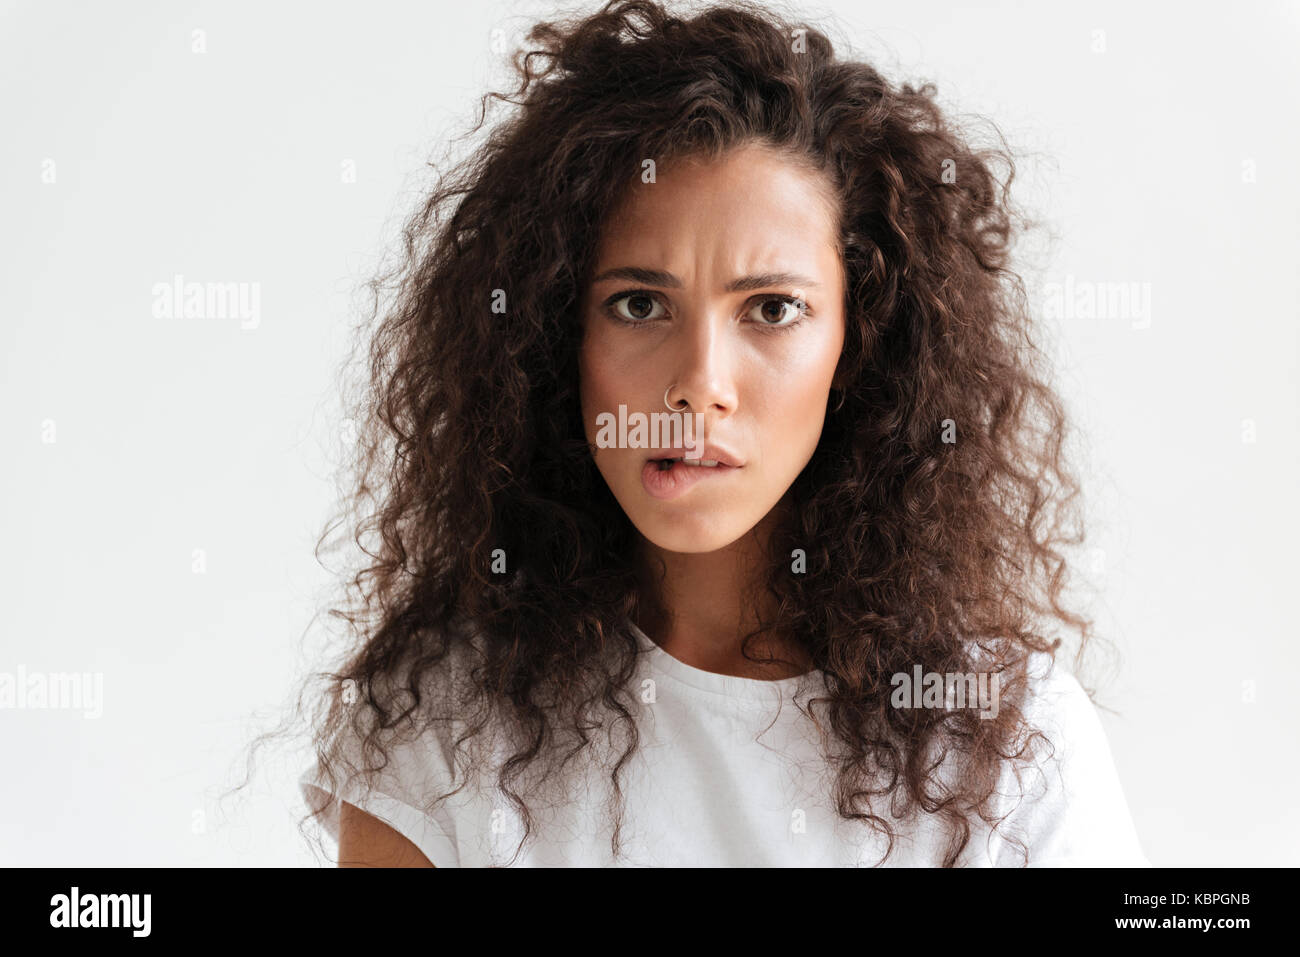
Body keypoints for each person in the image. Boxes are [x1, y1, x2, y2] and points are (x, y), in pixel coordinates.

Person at [296, 0, 1148, 867]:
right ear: (559, 336)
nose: (699, 383)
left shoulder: (1005, 742)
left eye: (773, 309)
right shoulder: (440, 722)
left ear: (859, 347)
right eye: (639, 304)